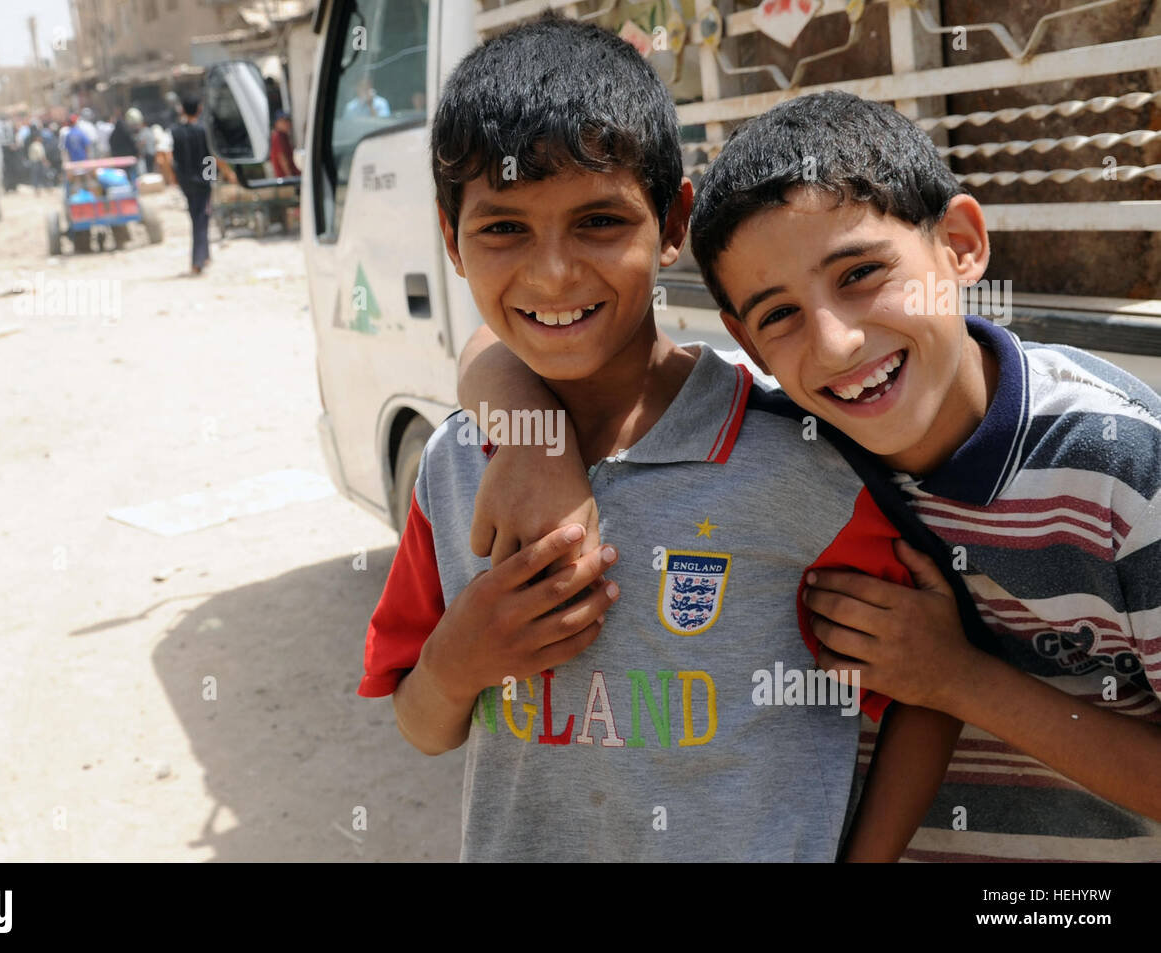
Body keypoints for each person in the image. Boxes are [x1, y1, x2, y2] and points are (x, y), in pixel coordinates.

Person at [463, 90, 1161, 859]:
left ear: (960, 243)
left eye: (861, 272)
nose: (834, 344)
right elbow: (491, 351)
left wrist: (958, 679)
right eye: (780, 314)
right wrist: (532, 440)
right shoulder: (794, 429)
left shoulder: (1123, 472)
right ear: (749, 342)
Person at [358, 15, 971, 863]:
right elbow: (423, 725)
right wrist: (459, 663)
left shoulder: (799, 460)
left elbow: (927, 686)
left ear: (674, 221)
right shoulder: (456, 467)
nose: (554, 273)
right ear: (450, 237)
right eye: (503, 228)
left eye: (599, 222)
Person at [171, 94, 213, 274]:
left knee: (197, 218)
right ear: (199, 109)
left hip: (186, 183)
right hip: (202, 183)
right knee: (201, 220)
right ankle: (198, 261)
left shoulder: (176, 131)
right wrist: (210, 179)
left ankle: (204, 256)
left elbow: (173, 159)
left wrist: (176, 179)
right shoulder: (202, 131)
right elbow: (208, 156)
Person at [110, 108, 141, 184]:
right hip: (129, 160)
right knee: (133, 178)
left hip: (119, 160)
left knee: (122, 179)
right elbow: (132, 143)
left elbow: (111, 143)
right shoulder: (126, 132)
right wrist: (136, 153)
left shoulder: (114, 134)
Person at [269, 110, 298, 179]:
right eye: (284, 121)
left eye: (288, 121)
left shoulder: (284, 135)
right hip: (286, 178)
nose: (288, 123)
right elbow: (282, 157)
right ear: (277, 123)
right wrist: (290, 177)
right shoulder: (278, 136)